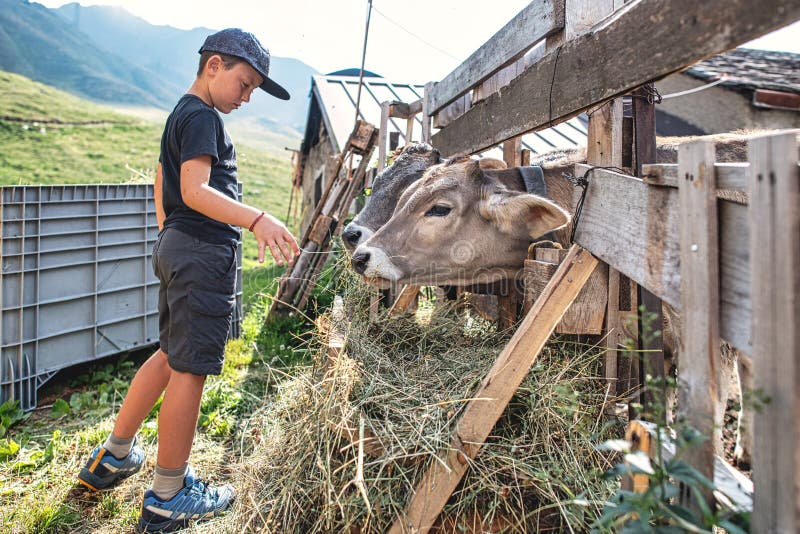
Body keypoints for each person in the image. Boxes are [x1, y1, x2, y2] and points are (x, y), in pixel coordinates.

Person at [77, 28, 299, 532]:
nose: (245, 98)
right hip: (200, 252)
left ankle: (114, 455)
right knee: (191, 368)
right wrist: (256, 219)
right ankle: (167, 493)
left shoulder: (182, 113)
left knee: (168, 355)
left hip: (179, 246)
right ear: (214, 65)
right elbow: (194, 189)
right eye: (244, 85)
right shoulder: (202, 115)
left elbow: (163, 177)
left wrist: (166, 234)